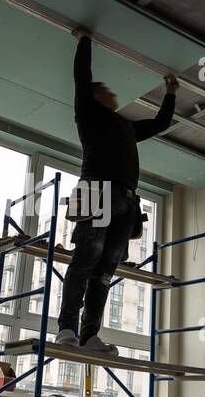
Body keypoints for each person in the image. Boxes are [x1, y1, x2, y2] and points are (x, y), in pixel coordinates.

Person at [54, 27, 178, 356]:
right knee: (85, 260)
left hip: (125, 199)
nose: (112, 93)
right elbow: (82, 76)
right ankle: (66, 328)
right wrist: (85, 41)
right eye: (106, 90)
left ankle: (89, 333)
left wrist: (171, 92)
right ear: (96, 97)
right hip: (94, 189)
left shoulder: (125, 126)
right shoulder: (88, 112)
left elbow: (161, 123)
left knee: (105, 269)